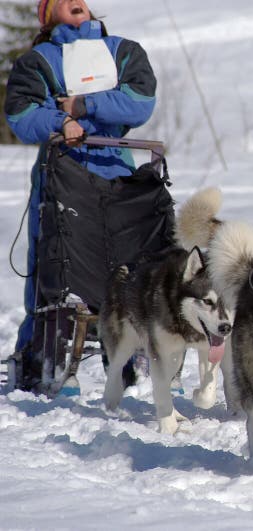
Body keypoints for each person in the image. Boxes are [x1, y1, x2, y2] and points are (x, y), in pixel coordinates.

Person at [4, 0, 157, 392]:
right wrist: (62, 121)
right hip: (62, 174)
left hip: (119, 175)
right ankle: (43, 359)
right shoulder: (38, 61)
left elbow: (141, 102)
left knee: (128, 268)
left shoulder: (123, 51)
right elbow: (22, 117)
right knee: (57, 268)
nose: (75, 1)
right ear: (48, 15)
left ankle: (131, 365)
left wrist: (83, 104)